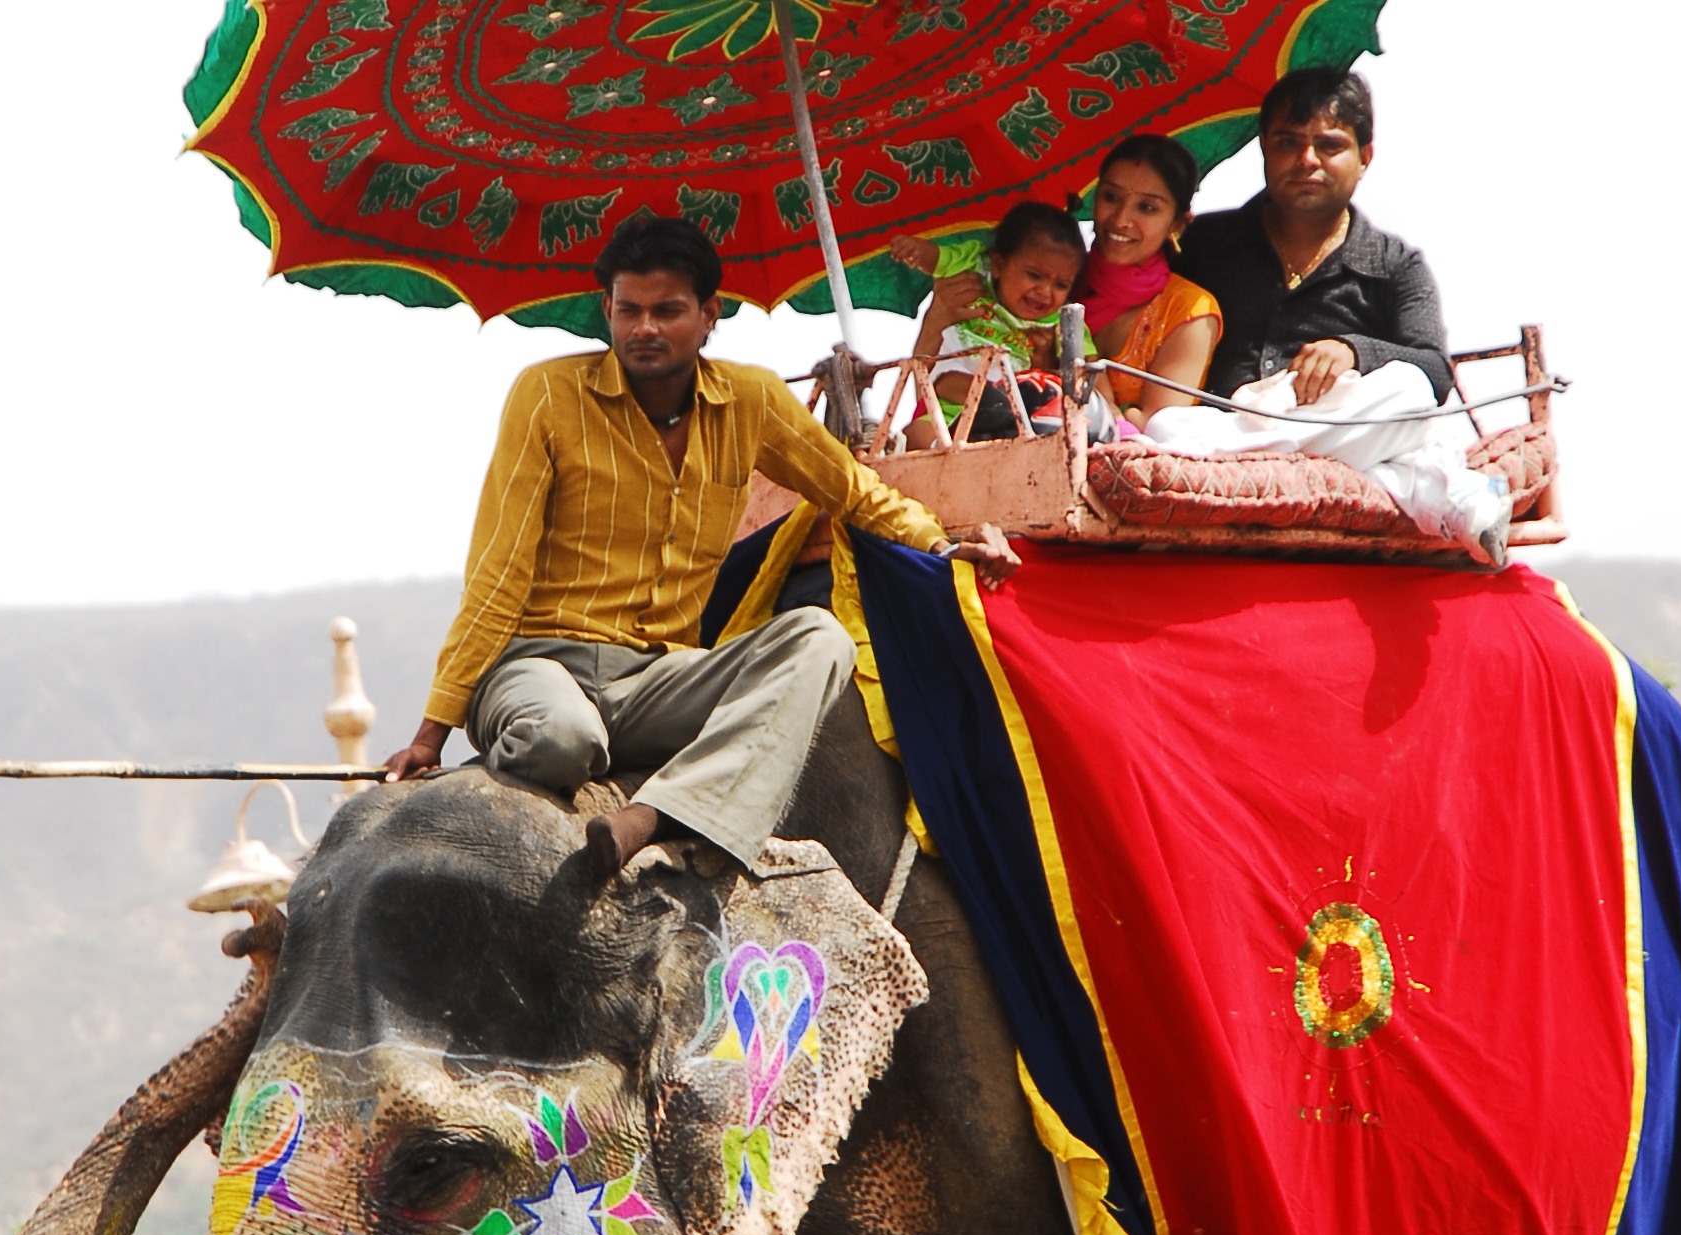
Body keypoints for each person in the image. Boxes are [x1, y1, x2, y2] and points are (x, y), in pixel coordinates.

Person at [382, 217, 1019, 876]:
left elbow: (855, 493)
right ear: (607, 310)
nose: (643, 328)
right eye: (627, 310)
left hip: (661, 677)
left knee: (819, 639)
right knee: (560, 742)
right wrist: (431, 733)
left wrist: (940, 547)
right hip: (542, 662)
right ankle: (584, 764)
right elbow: (498, 571)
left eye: (667, 310)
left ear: (709, 314)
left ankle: (658, 819)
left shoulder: (751, 399)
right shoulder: (547, 395)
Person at [1168, 67, 1511, 565]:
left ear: (1363, 157)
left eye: (1329, 145)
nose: (1307, 160)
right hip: (1223, 425)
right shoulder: (1204, 245)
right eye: (1288, 142)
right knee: (1167, 429)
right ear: (1264, 148)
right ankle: (1428, 487)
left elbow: (1435, 373)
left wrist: (1353, 351)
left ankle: (1273, 450)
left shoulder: (1394, 265)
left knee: (1411, 393)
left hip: (1273, 435)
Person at [889, 202, 1100, 444]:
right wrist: (915, 250)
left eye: (1061, 285)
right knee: (915, 434)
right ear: (998, 265)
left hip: (1028, 423)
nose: (1044, 291)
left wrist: (1046, 364)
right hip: (954, 409)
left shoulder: (1064, 322)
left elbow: (1086, 380)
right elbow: (941, 258)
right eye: (1034, 275)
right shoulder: (973, 270)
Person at [1073, 134, 1221, 424]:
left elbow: (1156, 426)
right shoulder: (1057, 282)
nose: (1120, 220)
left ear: (1178, 224)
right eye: (1111, 197)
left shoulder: (1189, 310)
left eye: (1147, 208)